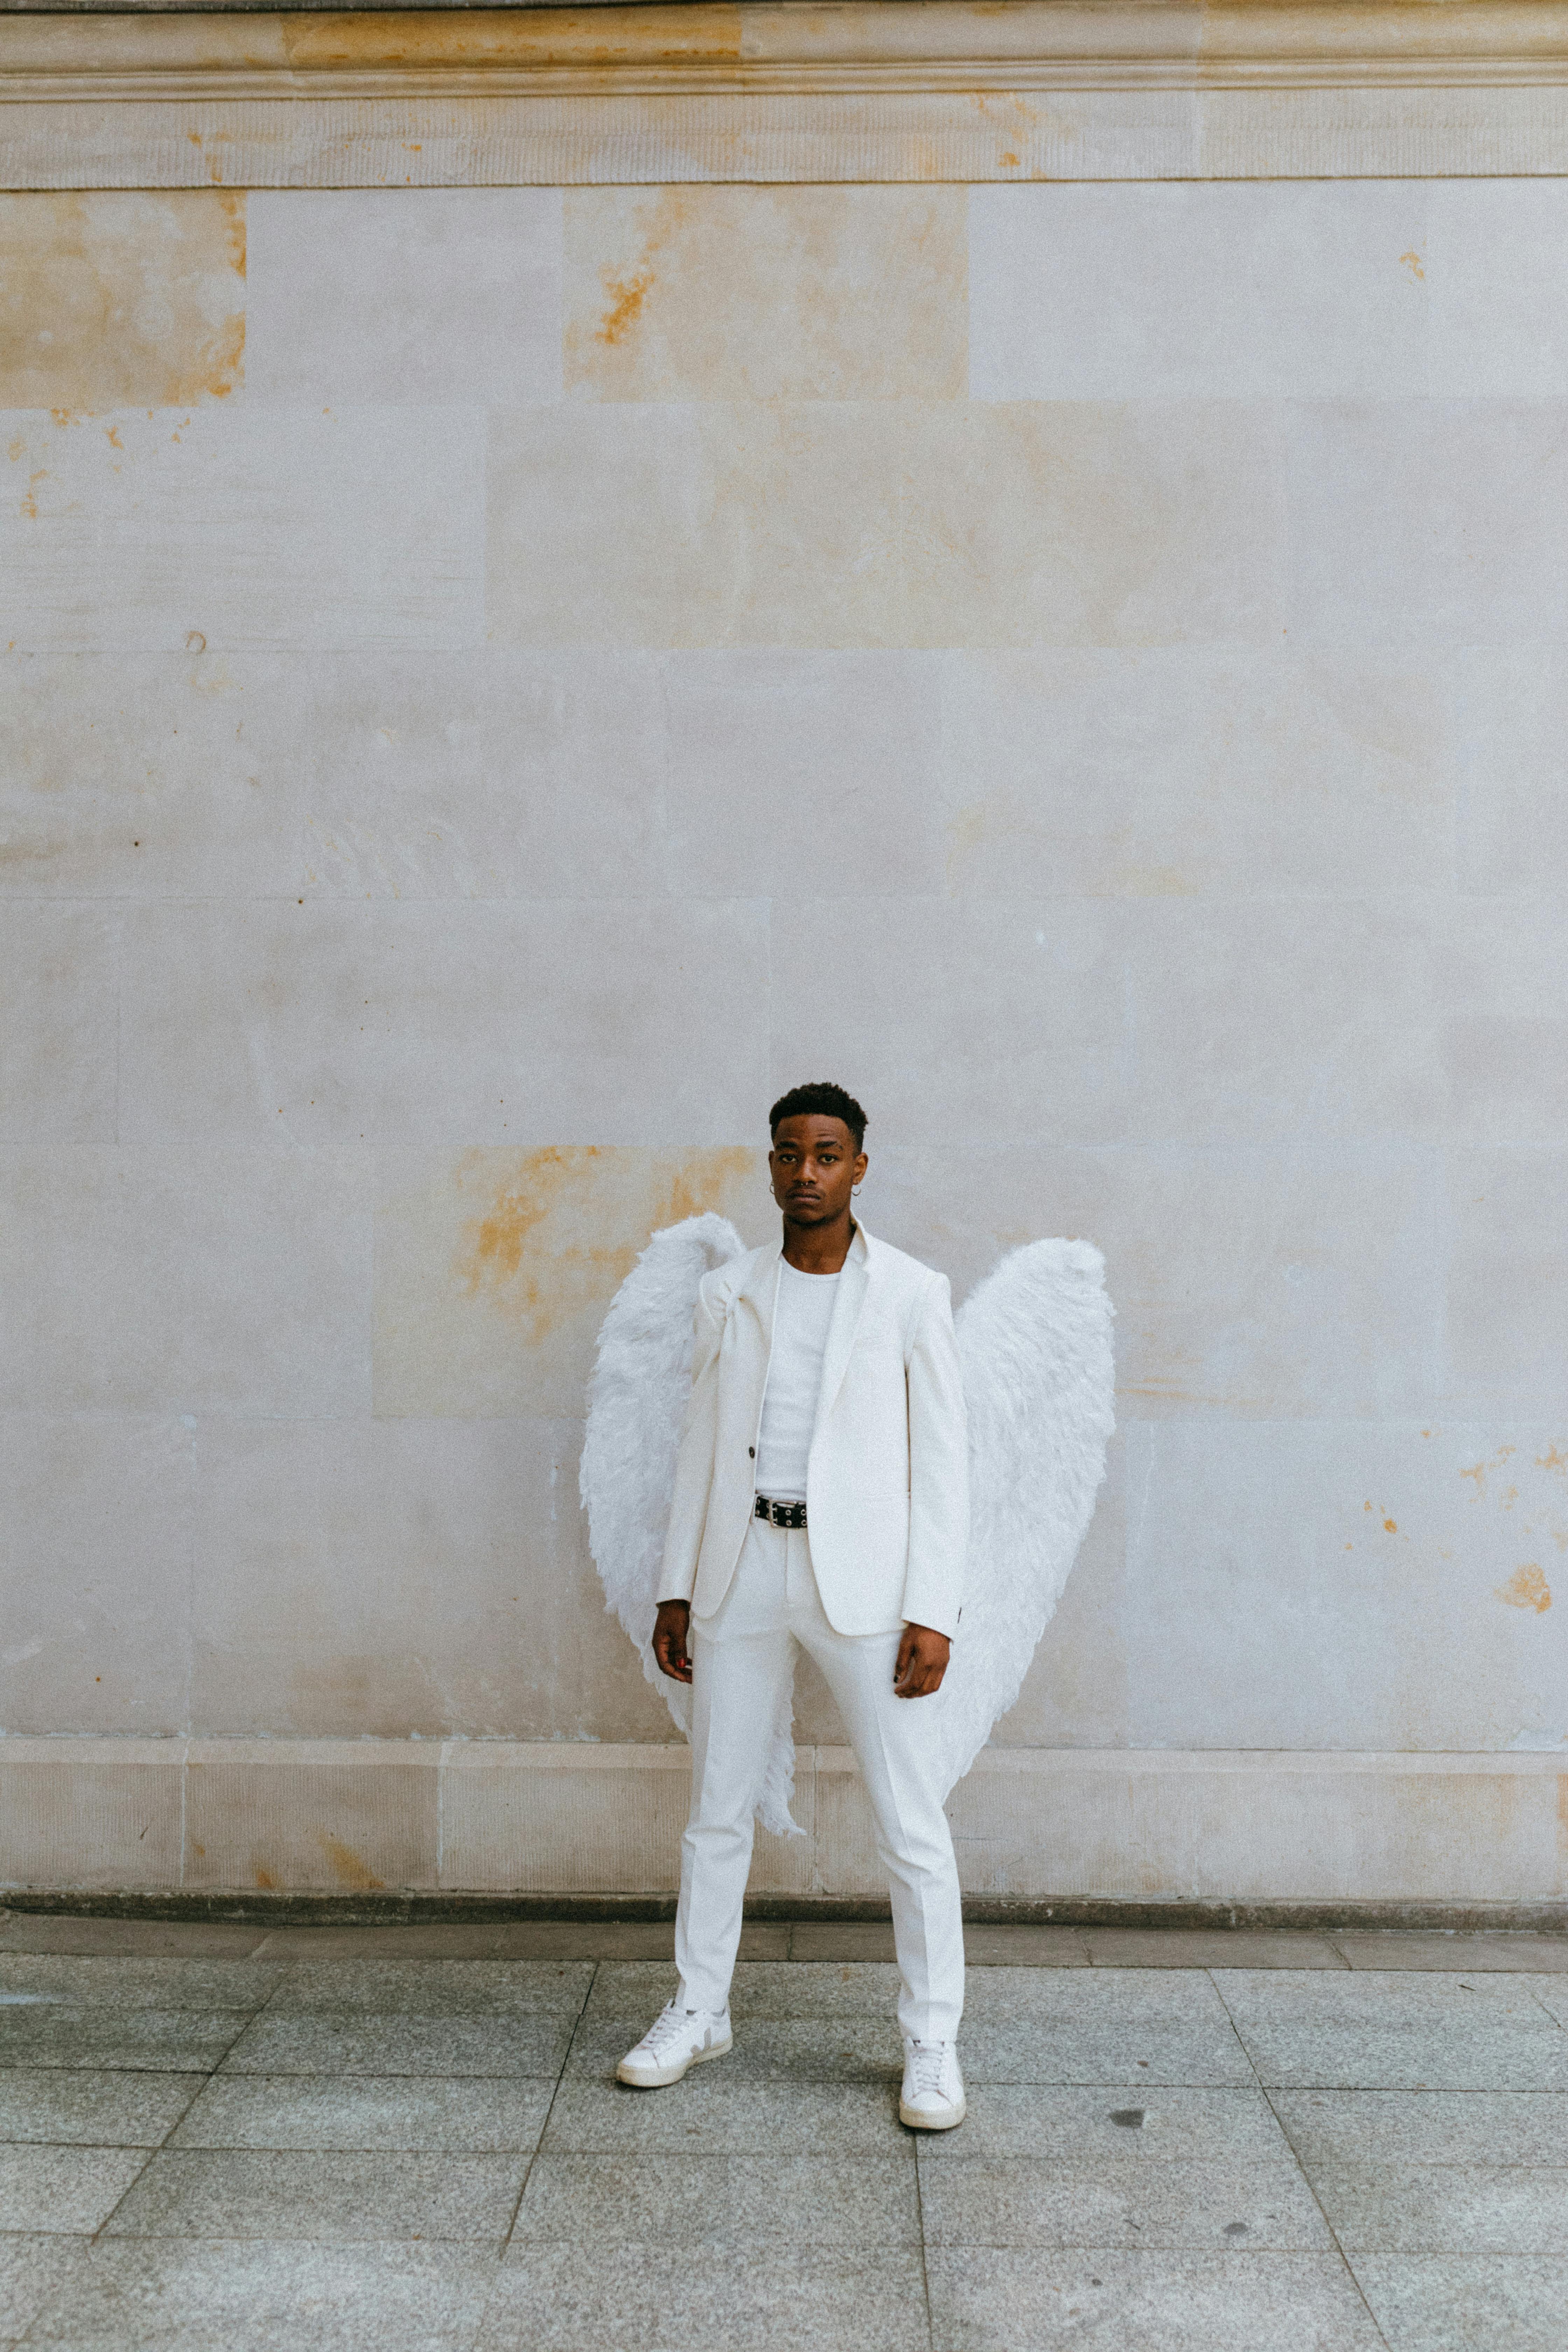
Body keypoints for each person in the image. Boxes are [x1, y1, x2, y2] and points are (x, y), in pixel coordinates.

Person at [616, 1081, 970, 2130]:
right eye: (787, 1155)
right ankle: (699, 2007)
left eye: (825, 1155)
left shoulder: (911, 1292)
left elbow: (944, 1467)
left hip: (863, 1582)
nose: (804, 1172)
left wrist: (935, 1609)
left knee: (910, 1820)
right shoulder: (732, 1292)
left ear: (860, 1166)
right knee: (716, 1809)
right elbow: (698, 1448)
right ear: (769, 1165)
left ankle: (932, 2040)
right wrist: (677, 1587)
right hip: (742, 1569)